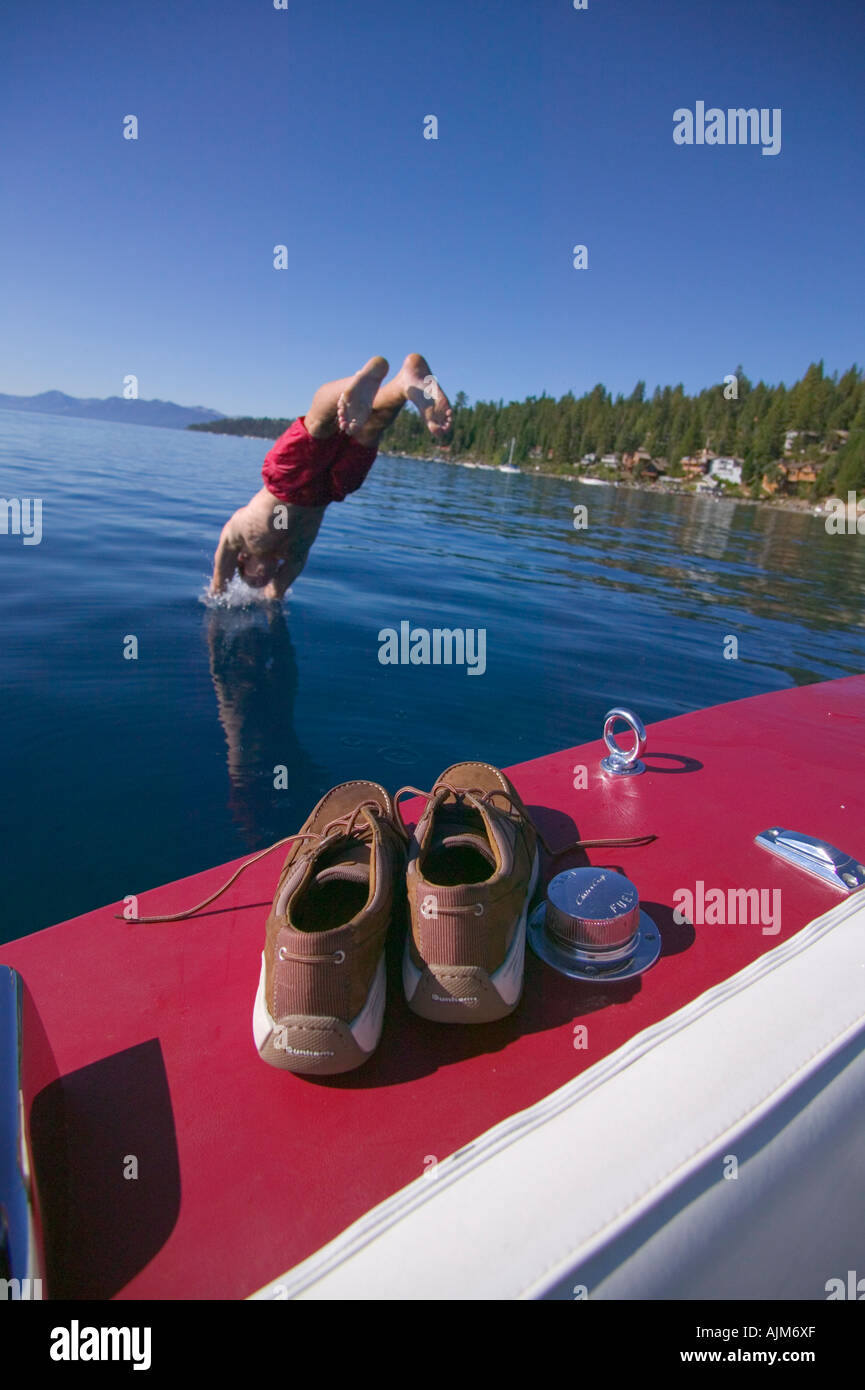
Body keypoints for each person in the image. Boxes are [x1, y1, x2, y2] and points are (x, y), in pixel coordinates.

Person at [210, 353, 452, 600]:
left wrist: (215, 599)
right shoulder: (292, 556)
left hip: (286, 485)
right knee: (371, 428)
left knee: (318, 425)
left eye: (252, 579)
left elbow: (221, 571)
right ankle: (406, 382)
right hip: (329, 490)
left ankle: (354, 386)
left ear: (243, 558)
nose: (261, 581)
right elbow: (275, 593)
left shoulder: (239, 532)